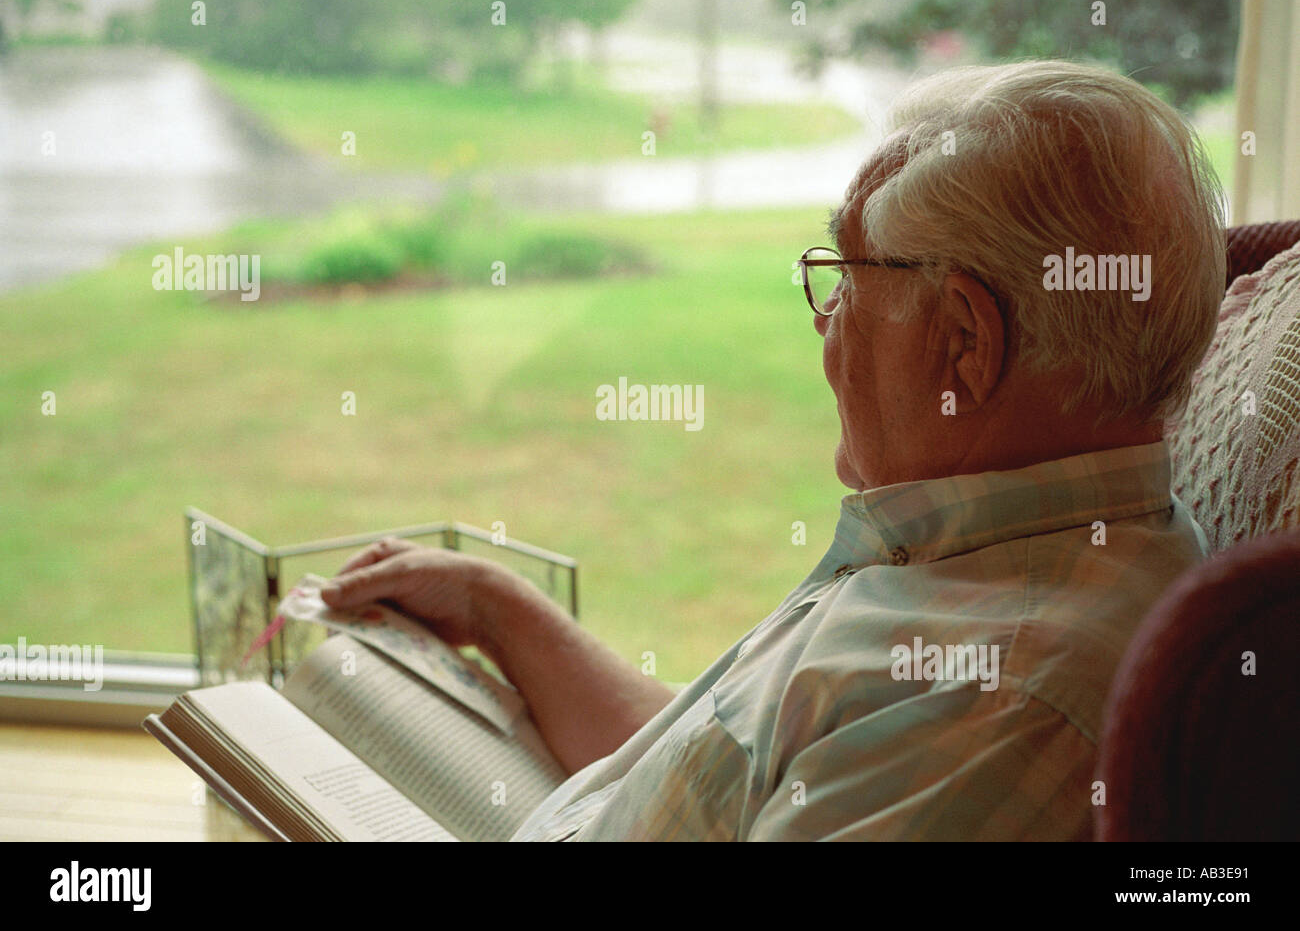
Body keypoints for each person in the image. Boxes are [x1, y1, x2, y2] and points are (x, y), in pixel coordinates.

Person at [321, 60, 1226, 840]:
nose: (825, 324)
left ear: (964, 342)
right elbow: (723, 772)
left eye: (847, 278)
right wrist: (497, 611)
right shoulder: (970, 555)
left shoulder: (997, 698)